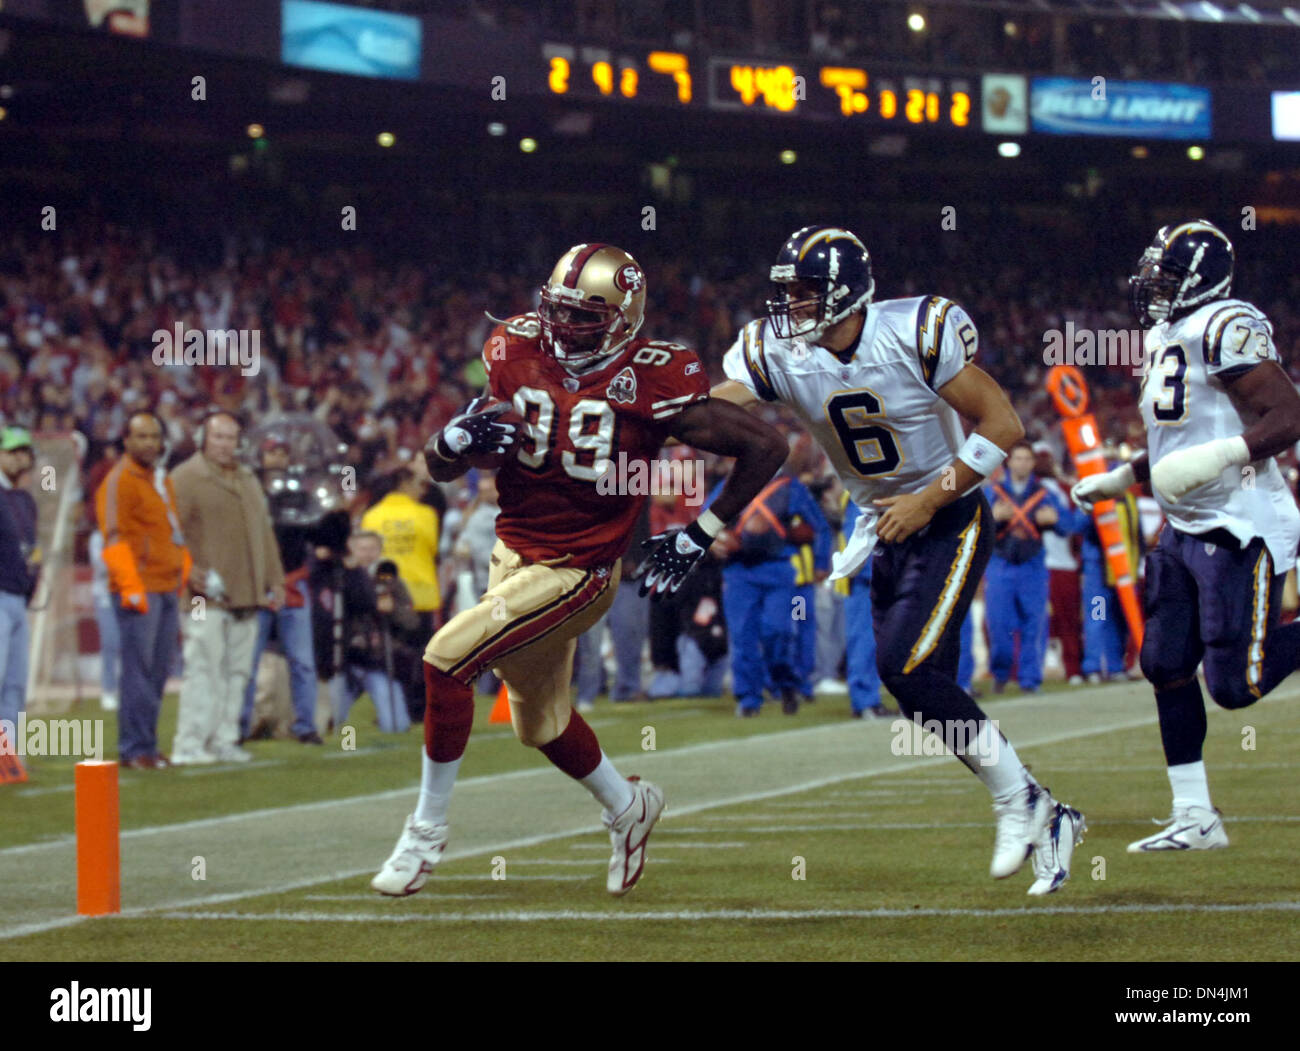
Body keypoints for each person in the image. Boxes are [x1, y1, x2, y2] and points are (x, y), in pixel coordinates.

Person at [371, 243, 788, 898]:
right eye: (556, 311)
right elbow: (446, 464)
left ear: (624, 320)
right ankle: (628, 806)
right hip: (512, 554)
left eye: (583, 317)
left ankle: (425, 833)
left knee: (445, 658)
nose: (562, 328)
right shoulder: (513, 347)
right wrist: (452, 441)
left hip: (581, 569)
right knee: (541, 723)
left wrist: (703, 532)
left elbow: (766, 445)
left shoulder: (655, 374)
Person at [713, 225, 1085, 894]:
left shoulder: (915, 330)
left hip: (950, 514)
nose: (790, 306)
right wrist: (652, 413)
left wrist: (927, 498)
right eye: (787, 292)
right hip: (883, 524)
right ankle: (1044, 808)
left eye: (803, 292)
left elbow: (1002, 425)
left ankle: (1021, 804)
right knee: (921, 690)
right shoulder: (782, 350)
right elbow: (713, 407)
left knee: (902, 664)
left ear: (845, 294)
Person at [1074, 219, 1300, 852]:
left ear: (1203, 278)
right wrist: (1123, 477)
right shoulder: (1166, 334)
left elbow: (1289, 416)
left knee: (1236, 685)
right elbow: (1180, 444)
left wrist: (1219, 457)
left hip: (1240, 522)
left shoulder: (1226, 323)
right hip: (1183, 524)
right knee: (1165, 663)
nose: (1154, 287)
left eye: (1168, 276)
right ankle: (1196, 816)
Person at [170, 412, 285, 765]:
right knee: (203, 668)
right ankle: (189, 743)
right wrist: (189, 571)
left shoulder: (248, 478)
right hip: (204, 596)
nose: (224, 444)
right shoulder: (185, 478)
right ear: (203, 437)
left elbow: (265, 533)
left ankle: (224, 738)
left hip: (246, 591)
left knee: (237, 672)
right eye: (218, 437)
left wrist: (275, 580)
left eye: (231, 438)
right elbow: (171, 534)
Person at [94, 413, 188, 770]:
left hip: (165, 586)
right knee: (138, 671)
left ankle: (147, 745)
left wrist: (183, 573)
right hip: (140, 590)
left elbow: (173, 533)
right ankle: (134, 748)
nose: (150, 443)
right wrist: (131, 587)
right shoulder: (119, 481)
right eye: (142, 437)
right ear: (127, 441)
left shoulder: (159, 481)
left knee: (157, 672)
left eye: (155, 437)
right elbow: (113, 537)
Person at [710, 468, 828, 716]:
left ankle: (785, 683)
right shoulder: (729, 484)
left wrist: (820, 562)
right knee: (743, 637)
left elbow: (820, 526)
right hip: (739, 571)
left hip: (779, 568)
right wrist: (717, 540)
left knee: (779, 631)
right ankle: (749, 698)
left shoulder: (789, 486)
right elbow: (706, 519)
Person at [239, 436, 324, 745]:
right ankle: (240, 725)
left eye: (282, 453)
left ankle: (305, 725)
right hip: (258, 584)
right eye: (271, 452)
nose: (277, 458)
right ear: (260, 459)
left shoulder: (299, 495)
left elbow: (320, 531)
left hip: (292, 581)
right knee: (246, 661)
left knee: (302, 661)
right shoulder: (247, 493)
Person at [984, 440, 1068, 694]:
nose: (1022, 463)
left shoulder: (1045, 492)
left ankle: (1030, 680)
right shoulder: (993, 491)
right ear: (1009, 462)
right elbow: (974, 527)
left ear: (1033, 463)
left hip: (1033, 566)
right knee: (999, 627)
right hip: (1000, 565)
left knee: (1035, 625)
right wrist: (992, 518)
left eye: (1027, 459)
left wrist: (1055, 521)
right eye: (1017, 458)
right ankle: (1000, 673)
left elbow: (1069, 524)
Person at [0, 427, 39, 748]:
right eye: (12, 451)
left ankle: (7, 754)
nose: (19, 458)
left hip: (17, 599)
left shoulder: (25, 500)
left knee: (14, 683)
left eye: (23, 452)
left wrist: (32, 584)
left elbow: (32, 548)